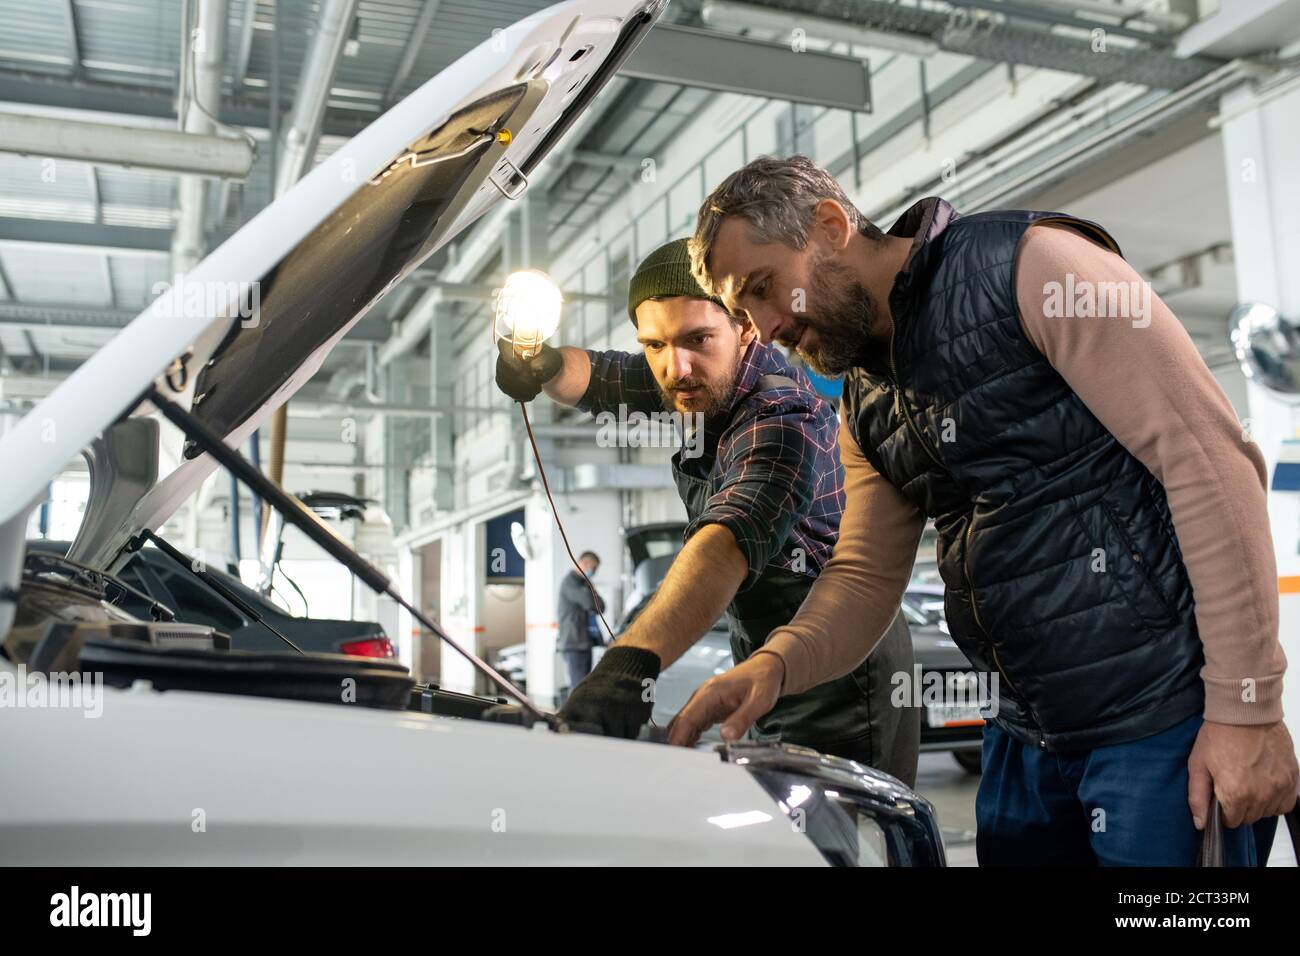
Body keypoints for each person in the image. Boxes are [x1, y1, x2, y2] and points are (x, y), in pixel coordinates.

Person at [667, 154, 1298, 866]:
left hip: (1156, 725)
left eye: (764, 287)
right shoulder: (868, 403)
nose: (767, 326)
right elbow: (866, 578)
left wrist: (1248, 712)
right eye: (744, 311)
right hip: (1023, 737)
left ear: (830, 225)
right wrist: (774, 667)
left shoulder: (1032, 267)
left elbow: (1210, 466)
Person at [496, 238, 919, 784]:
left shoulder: (781, 416)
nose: (676, 367)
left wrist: (627, 668)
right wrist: (543, 365)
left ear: (745, 326)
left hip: (844, 673)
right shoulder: (697, 375)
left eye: (697, 339)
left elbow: (730, 536)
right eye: (655, 344)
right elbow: (606, 378)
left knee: (845, 844)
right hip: (765, 659)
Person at [556, 550, 604, 700]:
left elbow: (601, 607)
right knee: (578, 686)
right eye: (593, 568)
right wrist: (591, 591)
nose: (594, 572)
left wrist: (591, 590)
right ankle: (571, 720)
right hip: (574, 643)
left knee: (583, 685)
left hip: (583, 643)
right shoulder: (570, 582)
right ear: (584, 563)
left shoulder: (584, 584)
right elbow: (589, 603)